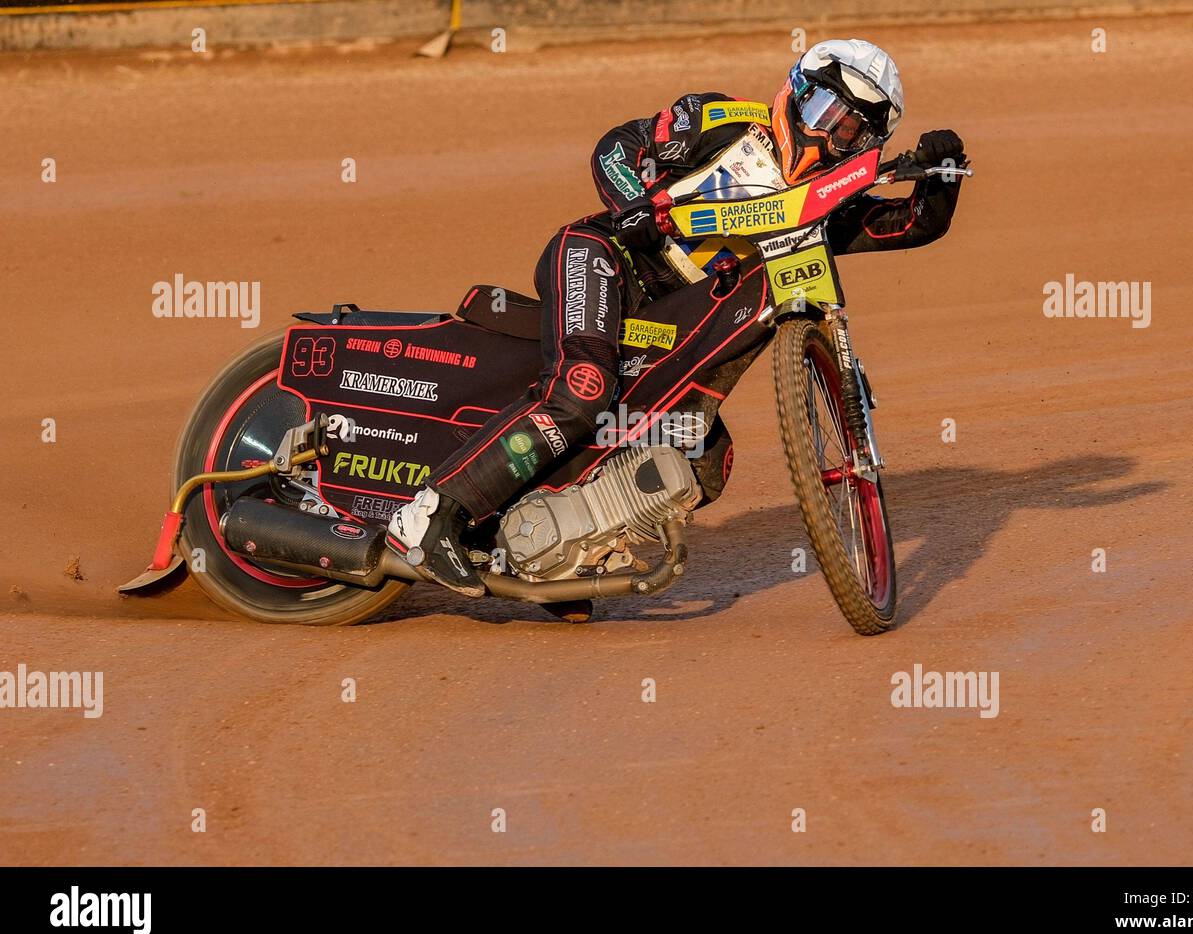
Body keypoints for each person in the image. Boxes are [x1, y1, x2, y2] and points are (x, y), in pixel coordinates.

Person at [385, 38, 967, 596]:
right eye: (822, 107)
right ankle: (430, 518)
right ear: (794, 90)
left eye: (850, 129)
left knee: (702, 455)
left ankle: (550, 556)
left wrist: (943, 177)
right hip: (606, 257)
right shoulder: (722, 119)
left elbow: (906, 224)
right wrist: (633, 206)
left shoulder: (826, 204)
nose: (826, 133)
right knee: (582, 391)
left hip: (666, 327)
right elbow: (616, 146)